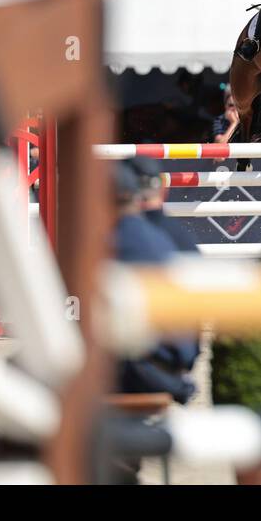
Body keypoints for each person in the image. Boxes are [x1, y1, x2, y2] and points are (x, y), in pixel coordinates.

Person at [112, 157, 199, 404]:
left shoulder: (119, 238)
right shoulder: (179, 238)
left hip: (140, 366)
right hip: (178, 360)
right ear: (163, 188)